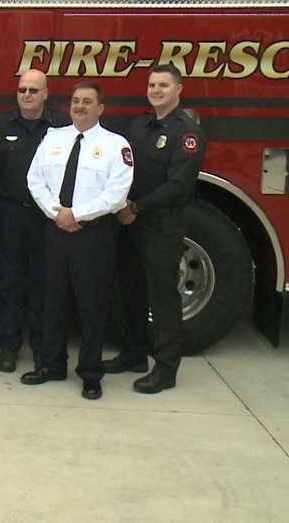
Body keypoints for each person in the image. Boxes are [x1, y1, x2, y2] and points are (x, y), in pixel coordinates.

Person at [23, 82, 133, 400]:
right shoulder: (54, 138)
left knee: (91, 306)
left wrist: (78, 215)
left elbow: (116, 194)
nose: (80, 106)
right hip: (56, 231)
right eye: (75, 101)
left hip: (94, 235)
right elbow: (35, 179)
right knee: (52, 302)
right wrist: (57, 214)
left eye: (87, 102)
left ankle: (90, 374)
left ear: (101, 108)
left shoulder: (116, 145)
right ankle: (51, 365)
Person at [108, 65, 206, 393]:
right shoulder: (140, 125)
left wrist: (136, 207)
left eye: (164, 85)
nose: (156, 90)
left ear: (179, 89)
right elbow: (124, 169)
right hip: (131, 224)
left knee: (163, 299)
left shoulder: (186, 132)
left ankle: (166, 369)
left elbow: (179, 185)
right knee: (131, 292)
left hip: (161, 226)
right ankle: (135, 353)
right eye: (152, 85)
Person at [0, 69, 69, 373]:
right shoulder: (1, 125)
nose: (27, 95)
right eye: (23, 90)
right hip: (11, 213)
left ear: (46, 94)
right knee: (9, 282)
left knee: (42, 282)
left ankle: (40, 347)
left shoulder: (61, 126)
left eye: (34, 91)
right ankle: (9, 347)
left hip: (46, 215)